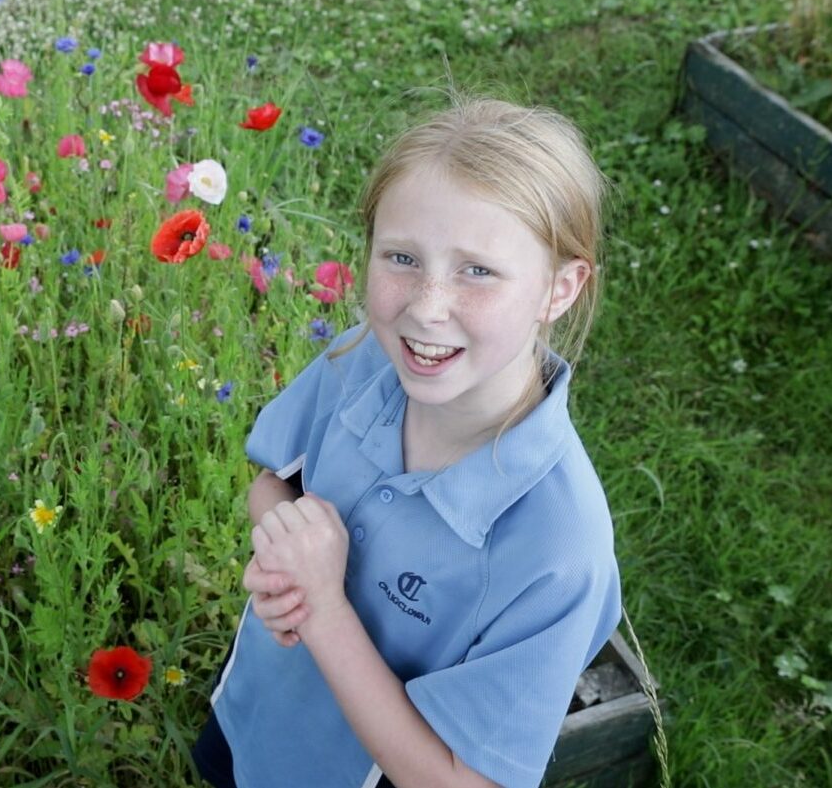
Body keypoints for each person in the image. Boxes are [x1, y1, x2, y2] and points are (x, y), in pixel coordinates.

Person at [192, 96, 622, 788]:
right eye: (401, 257)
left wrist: (324, 607)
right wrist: (287, 556)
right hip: (251, 718)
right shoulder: (359, 361)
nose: (425, 306)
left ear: (558, 288)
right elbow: (271, 482)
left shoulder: (558, 549)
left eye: (476, 270)